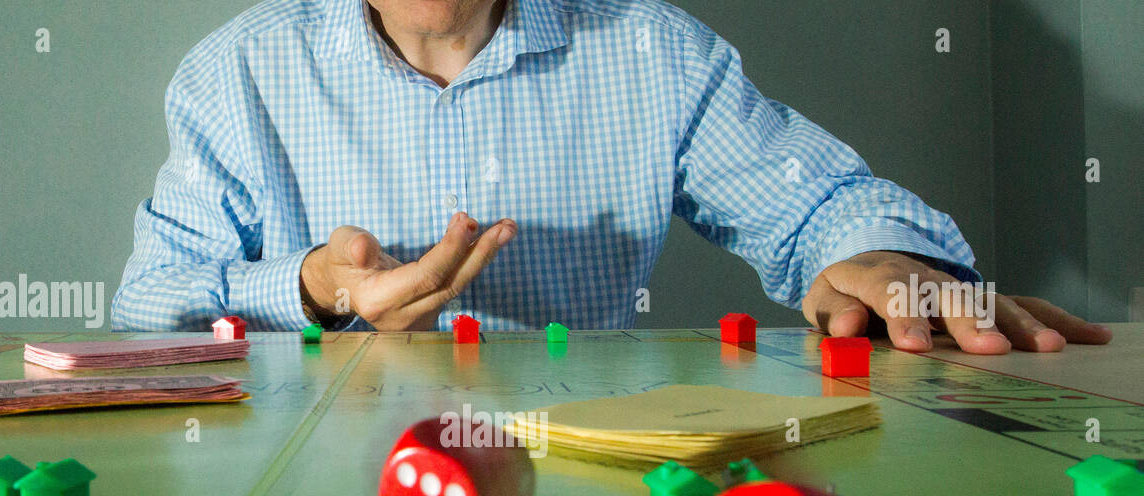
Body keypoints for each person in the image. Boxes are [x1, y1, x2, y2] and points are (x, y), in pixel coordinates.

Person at [112, 0, 1112, 355]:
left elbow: (813, 204)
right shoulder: (235, 71)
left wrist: (876, 254)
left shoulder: (652, 50)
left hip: (582, 489)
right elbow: (147, 310)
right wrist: (315, 287)